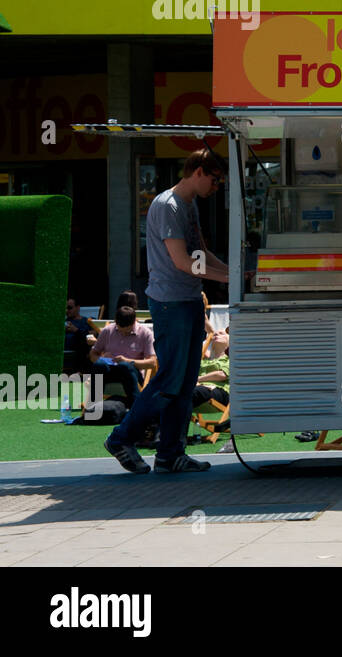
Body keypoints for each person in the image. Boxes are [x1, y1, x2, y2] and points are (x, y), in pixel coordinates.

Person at [105, 149, 229, 474]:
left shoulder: (188, 205)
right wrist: (227, 276)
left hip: (186, 300)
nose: (217, 187)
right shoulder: (168, 206)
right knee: (169, 380)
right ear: (199, 171)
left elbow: (200, 251)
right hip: (170, 303)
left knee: (185, 383)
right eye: (215, 180)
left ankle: (170, 454)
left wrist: (235, 272)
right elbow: (182, 261)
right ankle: (121, 437)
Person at [87, 305, 156, 405]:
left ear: (134, 322)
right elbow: (93, 354)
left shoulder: (145, 333)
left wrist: (128, 361)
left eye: (126, 329)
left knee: (125, 366)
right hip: (109, 370)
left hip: (131, 373)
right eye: (119, 328)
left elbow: (152, 362)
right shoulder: (108, 330)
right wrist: (102, 359)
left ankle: (134, 406)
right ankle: (93, 406)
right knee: (99, 365)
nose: (122, 332)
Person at [63, 297, 101, 375]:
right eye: (65, 308)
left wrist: (76, 330)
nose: (67, 310)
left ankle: (81, 371)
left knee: (83, 338)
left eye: (70, 308)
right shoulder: (63, 322)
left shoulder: (88, 322)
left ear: (78, 307)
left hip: (80, 350)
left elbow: (93, 335)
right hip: (65, 350)